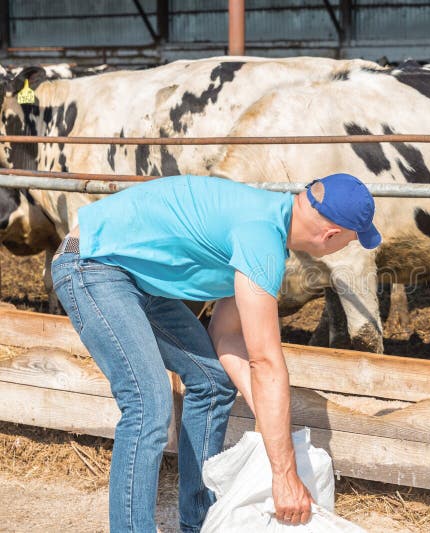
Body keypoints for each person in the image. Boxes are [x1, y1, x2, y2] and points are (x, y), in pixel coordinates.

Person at [50, 173, 380, 533]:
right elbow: (265, 361)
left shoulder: (267, 222)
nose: (344, 248)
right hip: (92, 263)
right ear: (331, 237)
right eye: (350, 242)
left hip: (135, 277)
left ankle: (200, 523)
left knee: (211, 379)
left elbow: (226, 335)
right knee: (147, 405)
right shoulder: (261, 238)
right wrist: (284, 475)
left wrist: (275, 432)